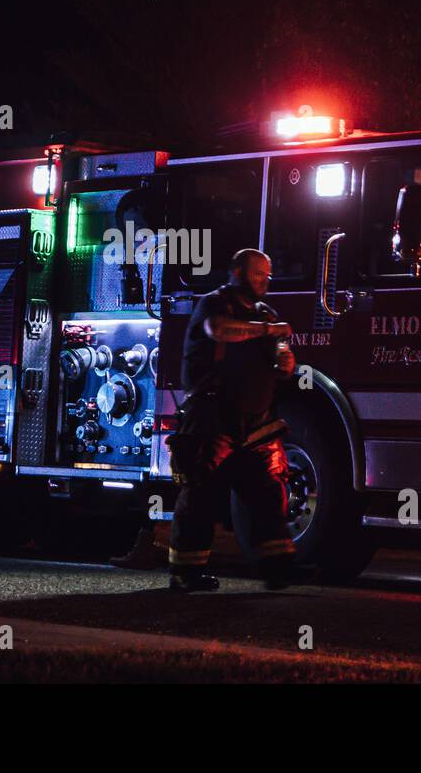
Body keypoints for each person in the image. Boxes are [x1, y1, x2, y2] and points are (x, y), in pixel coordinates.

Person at [167, 248, 299, 592]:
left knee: (268, 493)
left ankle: (278, 569)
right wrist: (269, 331)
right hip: (213, 417)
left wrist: (285, 362)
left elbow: (282, 355)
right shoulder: (214, 305)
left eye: (268, 276)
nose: (264, 282)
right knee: (201, 492)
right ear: (238, 272)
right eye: (258, 274)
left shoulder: (266, 314)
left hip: (257, 421)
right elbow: (221, 331)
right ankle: (186, 572)